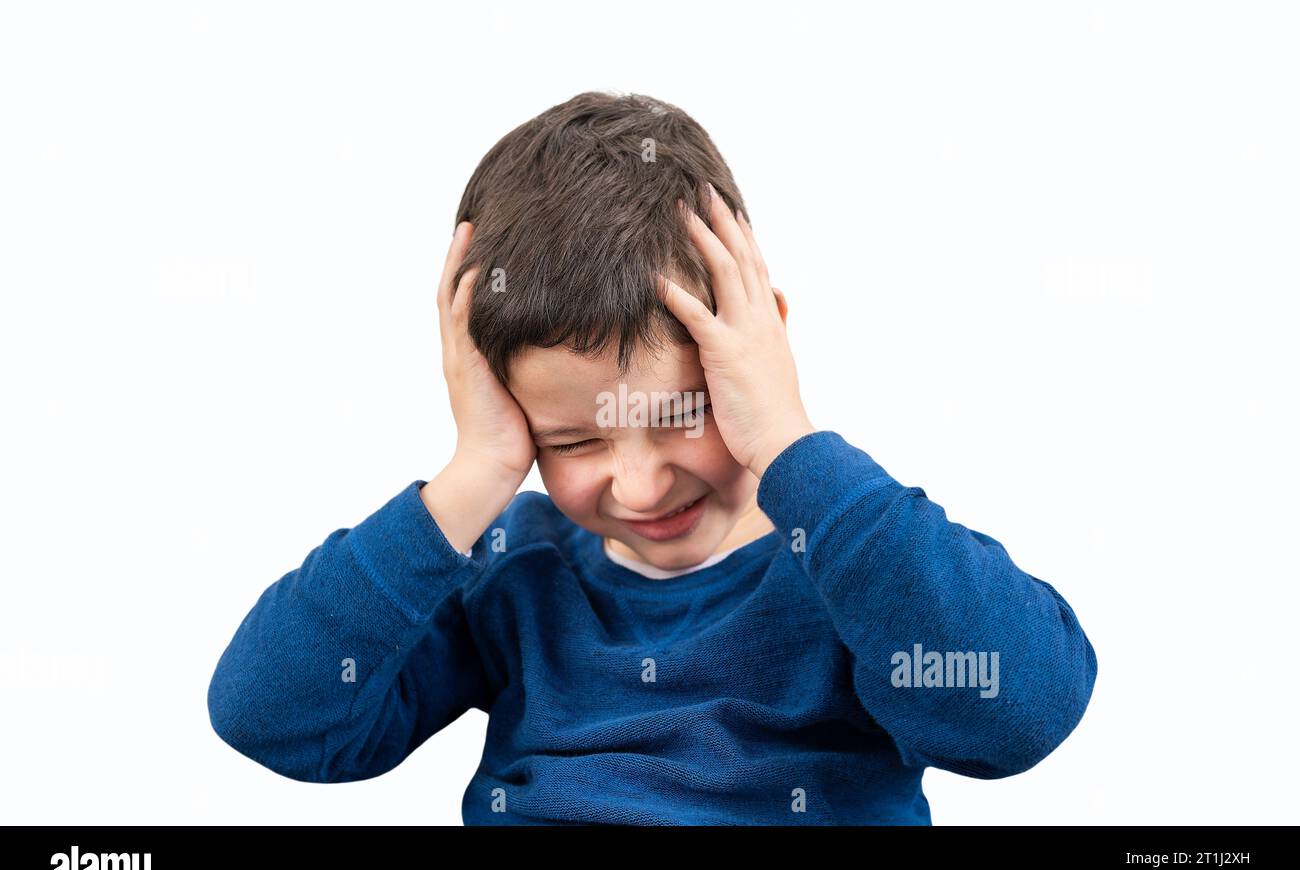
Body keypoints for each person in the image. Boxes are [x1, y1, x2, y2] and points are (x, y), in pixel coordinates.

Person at [207, 91, 1097, 825]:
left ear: (758, 349)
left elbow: (1020, 711)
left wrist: (790, 444)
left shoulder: (855, 558)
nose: (637, 483)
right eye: (572, 441)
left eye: (680, 416)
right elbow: (272, 717)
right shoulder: (517, 569)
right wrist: (472, 475)